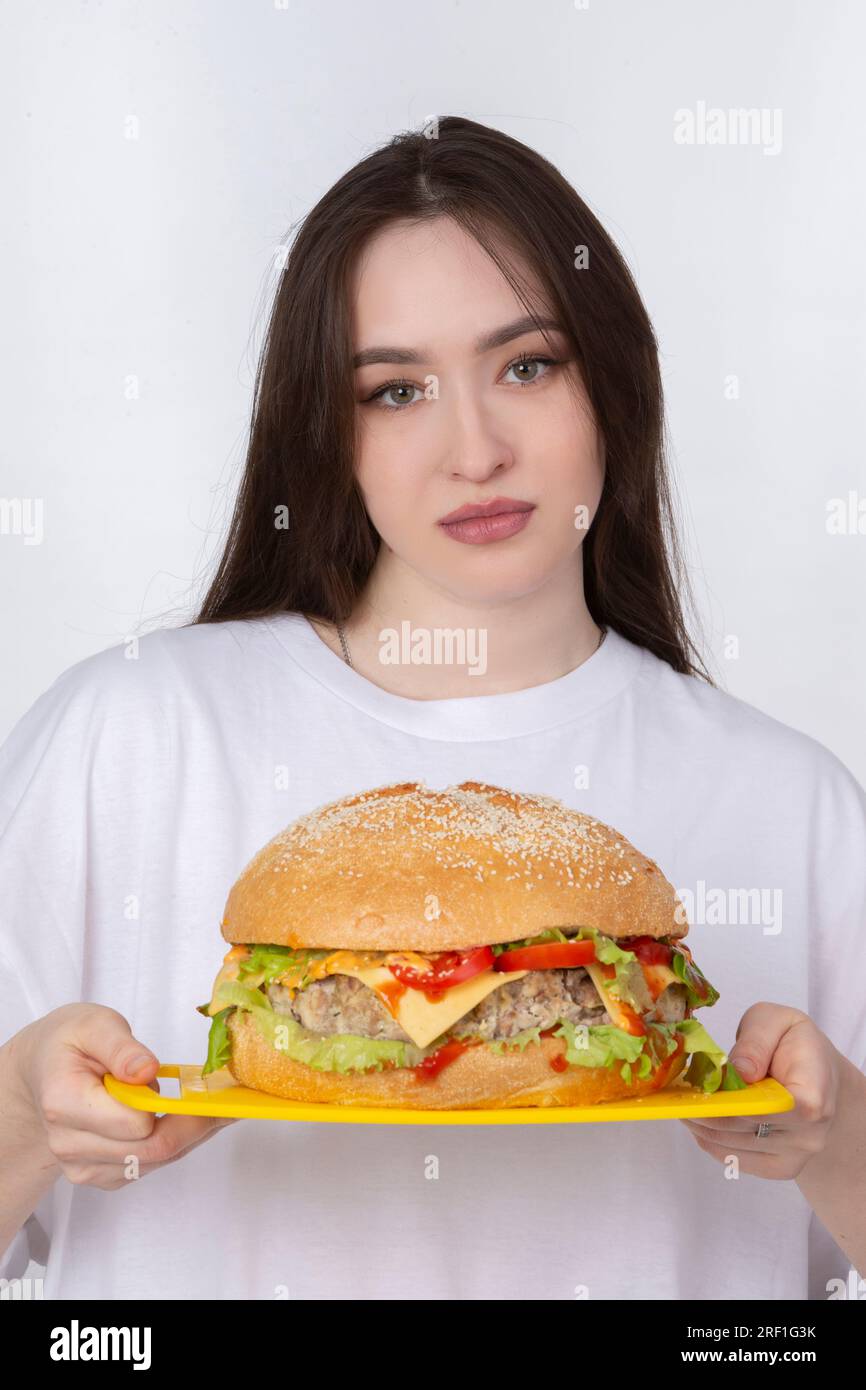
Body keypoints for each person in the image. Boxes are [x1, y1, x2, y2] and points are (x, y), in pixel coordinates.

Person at [1, 116, 864, 1301]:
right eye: (395, 389)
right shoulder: (132, 734)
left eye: (525, 365)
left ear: (610, 379)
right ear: (326, 430)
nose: (474, 448)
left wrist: (840, 1135)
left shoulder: (789, 798)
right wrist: (21, 1112)